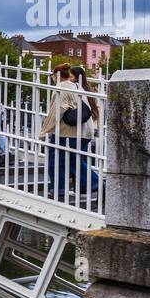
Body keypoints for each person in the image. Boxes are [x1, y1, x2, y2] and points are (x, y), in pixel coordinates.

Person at [39, 62, 87, 200]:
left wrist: (44, 132)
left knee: (55, 160)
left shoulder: (61, 88)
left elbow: (55, 113)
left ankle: (59, 189)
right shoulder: (76, 86)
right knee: (74, 160)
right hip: (80, 130)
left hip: (65, 131)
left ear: (57, 75)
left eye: (53, 75)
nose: (52, 78)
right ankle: (89, 186)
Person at [70, 65, 103, 193]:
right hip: (89, 130)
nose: (69, 78)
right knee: (79, 159)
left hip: (82, 130)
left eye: (71, 76)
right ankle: (83, 186)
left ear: (77, 77)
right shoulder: (88, 90)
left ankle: (98, 183)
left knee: (75, 160)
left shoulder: (78, 90)